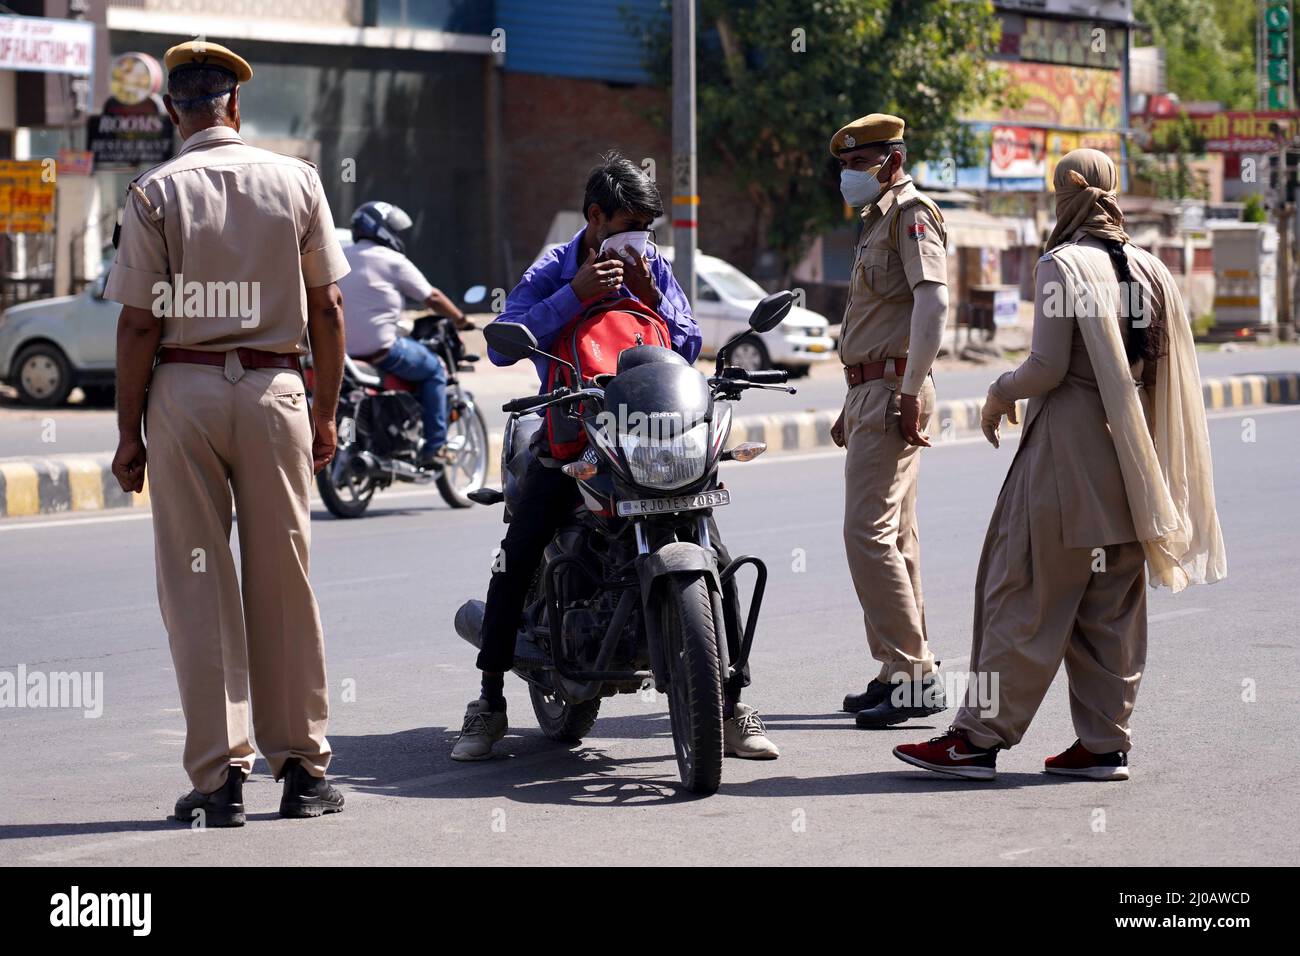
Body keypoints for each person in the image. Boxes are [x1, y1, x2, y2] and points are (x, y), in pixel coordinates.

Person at [894, 148, 1227, 781]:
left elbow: (1046, 368)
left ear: (1068, 194)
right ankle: (1104, 746)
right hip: (1135, 465)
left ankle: (975, 741)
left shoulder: (1061, 266)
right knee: (1110, 609)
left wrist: (998, 392)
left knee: (1020, 595)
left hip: (1067, 463)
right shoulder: (1154, 271)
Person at [451, 151, 779, 761]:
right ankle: (489, 702)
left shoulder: (650, 263)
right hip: (573, 438)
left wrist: (657, 296)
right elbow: (502, 345)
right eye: (627, 224)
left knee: (719, 555)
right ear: (596, 217)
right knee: (518, 553)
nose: (637, 239)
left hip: (652, 436)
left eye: (645, 229)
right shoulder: (555, 265)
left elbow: (686, 345)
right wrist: (571, 297)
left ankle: (733, 705)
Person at [106, 40, 352, 826]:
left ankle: (219, 782)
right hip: (278, 387)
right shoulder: (298, 180)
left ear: (173, 112)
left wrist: (127, 433)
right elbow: (330, 310)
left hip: (183, 390)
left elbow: (140, 324)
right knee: (284, 577)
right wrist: (324, 410)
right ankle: (305, 773)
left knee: (197, 582)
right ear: (234, 108)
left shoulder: (152, 191)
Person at [827, 114, 951, 728]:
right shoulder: (876, 220)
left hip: (893, 388)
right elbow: (872, 321)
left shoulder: (911, 213)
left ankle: (916, 673)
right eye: (844, 166)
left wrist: (906, 388)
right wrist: (849, 403)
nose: (848, 177)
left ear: (892, 162)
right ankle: (896, 671)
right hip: (871, 391)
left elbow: (933, 300)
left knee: (866, 534)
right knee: (897, 539)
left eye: (858, 165)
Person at [337, 201, 474, 468]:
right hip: (382, 351)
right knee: (435, 369)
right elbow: (431, 296)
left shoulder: (339, 256)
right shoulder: (392, 261)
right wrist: (460, 319)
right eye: (394, 230)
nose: (397, 236)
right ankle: (435, 446)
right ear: (382, 229)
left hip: (343, 354)